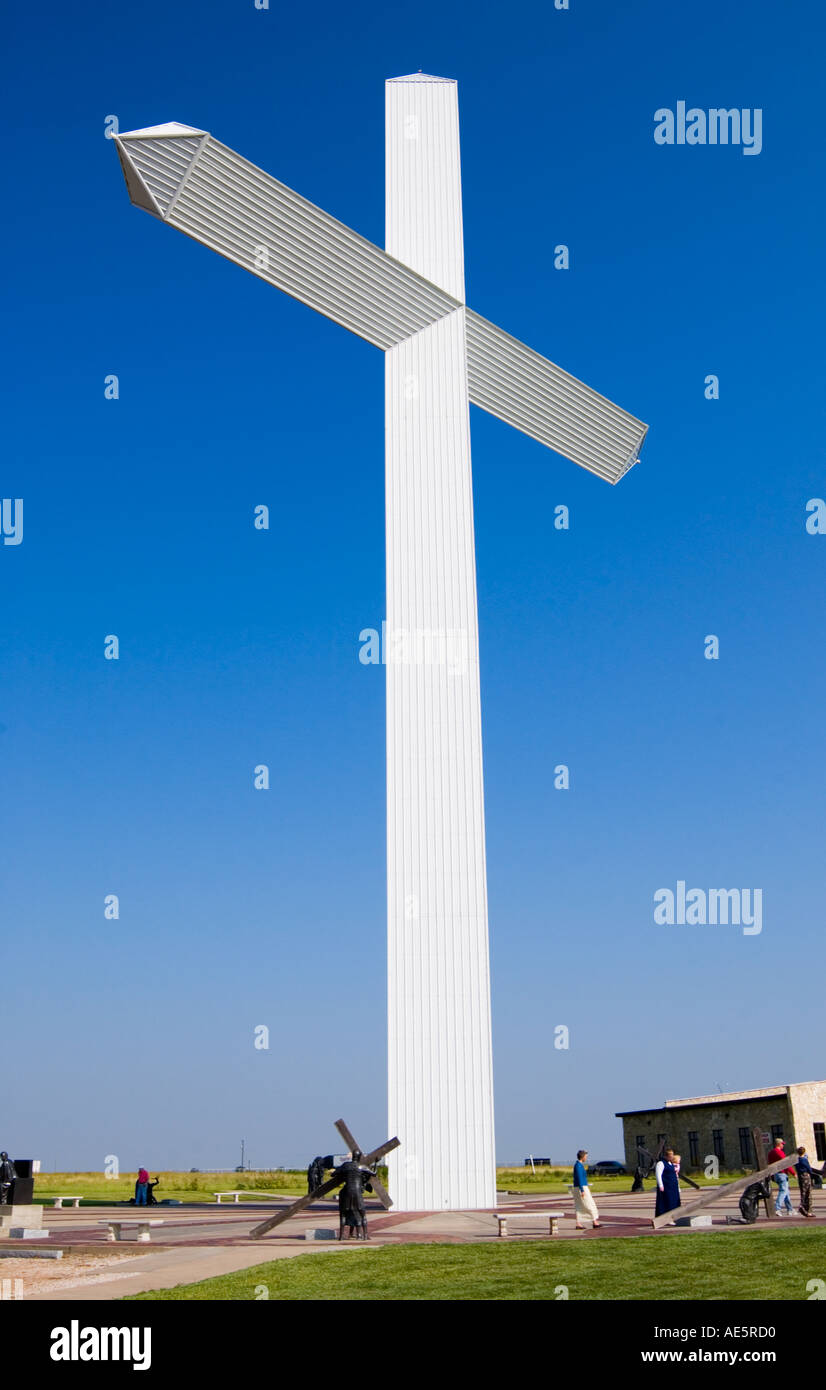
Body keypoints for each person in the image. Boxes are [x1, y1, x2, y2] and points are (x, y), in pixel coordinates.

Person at [572, 1150, 601, 1229]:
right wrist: (582, 1190)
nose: (586, 1158)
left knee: (585, 1204)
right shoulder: (578, 1165)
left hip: (582, 1187)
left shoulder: (579, 1165)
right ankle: (593, 1222)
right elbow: (579, 1178)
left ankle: (592, 1222)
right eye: (586, 1156)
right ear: (582, 1156)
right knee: (588, 1204)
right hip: (580, 1187)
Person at [768, 1138, 795, 1216]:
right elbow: (786, 1163)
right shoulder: (779, 1152)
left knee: (786, 1192)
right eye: (782, 1144)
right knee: (783, 1191)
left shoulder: (770, 1153)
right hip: (782, 1174)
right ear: (779, 1144)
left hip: (775, 1174)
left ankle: (790, 1209)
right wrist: (793, 1173)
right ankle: (777, 1208)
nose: (783, 1145)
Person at [654, 1147, 681, 1219]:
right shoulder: (661, 1163)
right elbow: (658, 1174)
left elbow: (675, 1175)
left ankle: (674, 1217)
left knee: (674, 1202)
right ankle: (665, 1218)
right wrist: (660, 1185)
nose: (672, 1157)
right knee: (667, 1202)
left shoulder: (671, 1164)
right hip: (666, 1187)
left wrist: (678, 1187)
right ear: (666, 1156)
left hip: (673, 1187)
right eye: (670, 1156)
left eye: (672, 1155)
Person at [795, 1147, 815, 1218]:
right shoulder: (804, 1159)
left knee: (803, 1192)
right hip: (806, 1175)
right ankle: (807, 1209)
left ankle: (803, 1207)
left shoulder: (797, 1160)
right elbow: (808, 1168)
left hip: (800, 1176)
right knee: (808, 1193)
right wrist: (812, 1174)